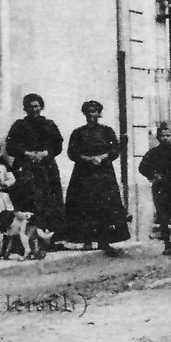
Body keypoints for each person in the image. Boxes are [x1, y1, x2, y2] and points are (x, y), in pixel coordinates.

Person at [64, 100, 131, 254]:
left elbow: (115, 149)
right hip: (83, 174)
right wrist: (88, 159)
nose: (91, 114)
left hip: (104, 174)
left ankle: (104, 241)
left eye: (94, 111)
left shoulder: (107, 131)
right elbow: (71, 152)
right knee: (84, 206)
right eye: (88, 111)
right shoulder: (78, 133)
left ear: (99, 113)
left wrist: (103, 156)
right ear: (84, 113)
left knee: (104, 207)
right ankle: (86, 241)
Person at [6, 93, 65, 237]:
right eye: (30, 107)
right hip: (26, 167)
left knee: (50, 200)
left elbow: (58, 145)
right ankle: (30, 237)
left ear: (41, 107)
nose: (34, 110)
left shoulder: (49, 125)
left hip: (46, 168)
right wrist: (27, 153)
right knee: (29, 200)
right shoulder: (19, 126)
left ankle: (51, 237)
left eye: (36, 106)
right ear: (25, 109)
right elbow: (11, 147)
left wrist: (46, 153)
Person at [139, 122, 171, 256]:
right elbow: (143, 167)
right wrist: (154, 175)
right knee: (163, 217)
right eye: (162, 136)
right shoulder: (153, 153)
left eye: (168, 135)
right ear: (158, 138)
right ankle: (167, 246)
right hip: (161, 188)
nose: (165, 138)